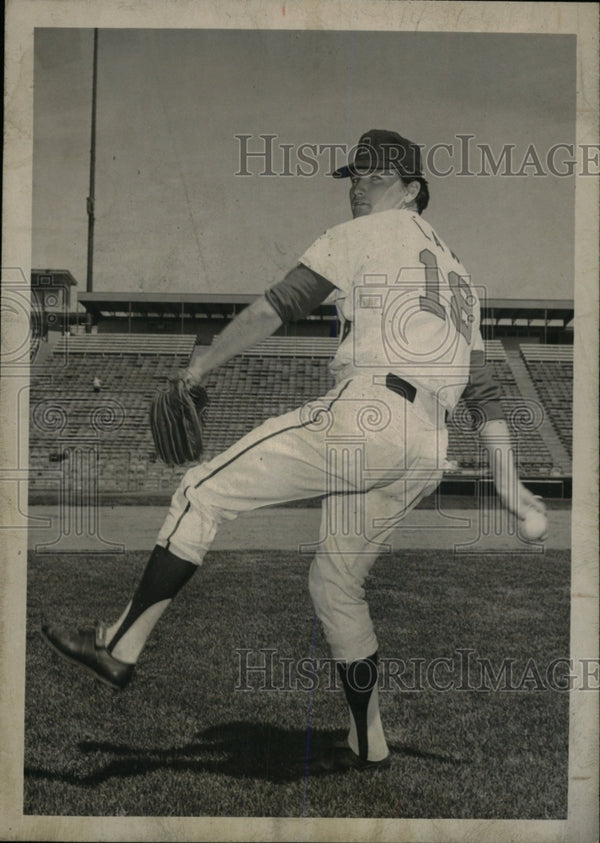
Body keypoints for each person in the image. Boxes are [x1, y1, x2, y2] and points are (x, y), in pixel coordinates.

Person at [42, 129, 545, 772]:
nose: (356, 183)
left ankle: (120, 644)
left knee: (200, 490)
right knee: (336, 586)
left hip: (370, 414)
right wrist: (509, 486)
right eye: (353, 173)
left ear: (412, 188)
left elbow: (279, 306)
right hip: (427, 444)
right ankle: (371, 742)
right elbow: (483, 390)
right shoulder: (460, 274)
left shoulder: (365, 234)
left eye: (371, 172)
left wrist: (199, 370)